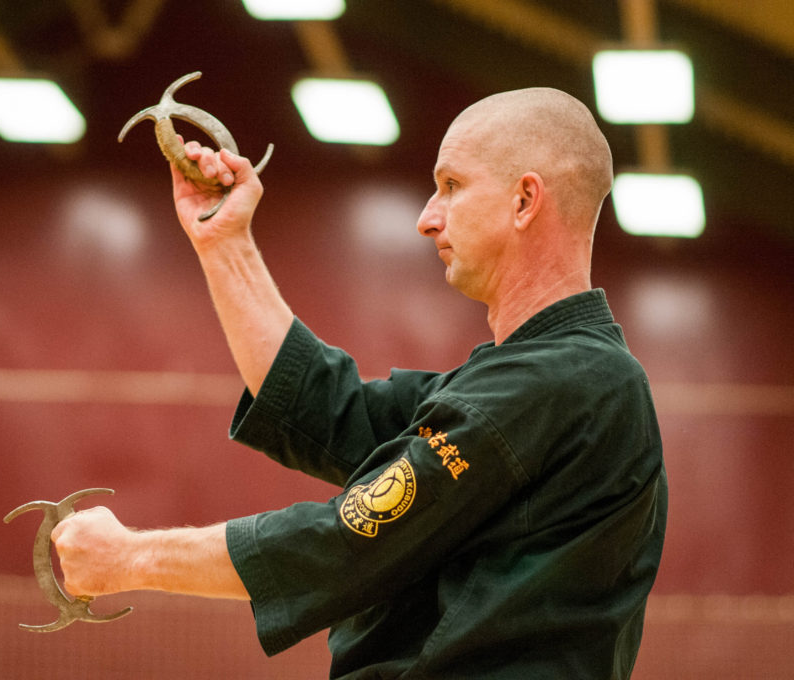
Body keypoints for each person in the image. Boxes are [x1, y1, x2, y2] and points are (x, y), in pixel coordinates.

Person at [52, 87, 668, 678]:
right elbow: (327, 410)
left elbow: (352, 537)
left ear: (525, 200)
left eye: (451, 186)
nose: (428, 219)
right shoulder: (522, 381)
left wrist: (129, 557)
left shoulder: (570, 382)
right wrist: (225, 242)